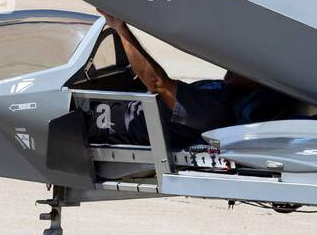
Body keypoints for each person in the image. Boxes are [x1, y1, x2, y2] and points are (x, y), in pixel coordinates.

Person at [94, 11, 297, 147]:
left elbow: (158, 84)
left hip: (108, 126)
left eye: (247, 67)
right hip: (121, 108)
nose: (234, 66)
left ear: (256, 84)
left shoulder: (216, 108)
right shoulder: (225, 92)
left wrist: (120, 28)